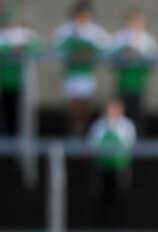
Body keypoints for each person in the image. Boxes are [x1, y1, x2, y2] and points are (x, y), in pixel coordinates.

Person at [53, 1, 109, 136]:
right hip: (71, 74)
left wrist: (89, 50)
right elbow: (57, 48)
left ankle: (83, 130)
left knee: (85, 105)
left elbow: (106, 48)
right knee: (72, 105)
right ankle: (72, 129)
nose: (80, 19)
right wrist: (73, 49)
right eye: (78, 16)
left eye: (84, 16)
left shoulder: (95, 31)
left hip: (86, 75)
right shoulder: (66, 30)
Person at [0, 6, 42, 136]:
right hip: (4, 80)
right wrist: (11, 48)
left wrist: (23, 48)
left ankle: (21, 137)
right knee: (6, 111)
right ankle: (6, 138)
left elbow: (37, 46)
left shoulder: (25, 33)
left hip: (22, 80)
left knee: (21, 112)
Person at [107, 8, 158, 134]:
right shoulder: (118, 38)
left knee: (136, 114)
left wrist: (138, 55)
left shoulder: (147, 39)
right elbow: (109, 58)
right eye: (130, 21)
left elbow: (153, 60)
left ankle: (138, 140)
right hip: (122, 82)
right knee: (120, 113)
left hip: (138, 83)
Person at [87, 98, 136, 227]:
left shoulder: (126, 125)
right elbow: (92, 144)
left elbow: (130, 144)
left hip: (119, 165)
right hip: (102, 165)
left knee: (120, 193)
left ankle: (120, 221)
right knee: (101, 195)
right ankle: (101, 221)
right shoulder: (98, 125)